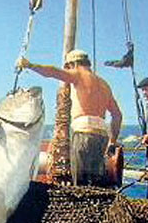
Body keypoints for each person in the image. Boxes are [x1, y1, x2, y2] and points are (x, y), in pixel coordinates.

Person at [16, 49, 123, 187]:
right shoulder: (104, 84)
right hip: (102, 136)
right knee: (97, 182)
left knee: (80, 181)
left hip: (83, 134)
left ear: (74, 64)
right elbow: (117, 115)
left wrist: (30, 65)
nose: (68, 70)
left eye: (68, 67)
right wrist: (112, 141)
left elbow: (53, 72)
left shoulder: (79, 74)